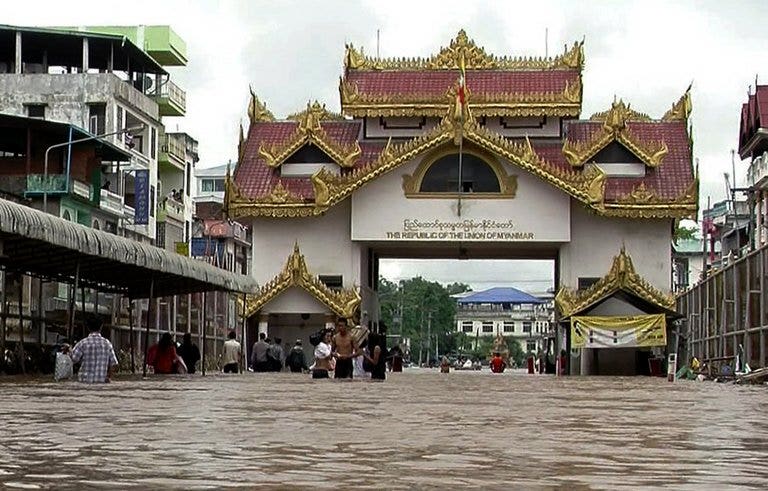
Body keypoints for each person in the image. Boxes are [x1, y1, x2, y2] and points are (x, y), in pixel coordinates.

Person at [70, 314, 118, 383]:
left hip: (84, 382)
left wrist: (69, 350)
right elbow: (114, 365)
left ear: (88, 327)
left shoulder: (83, 343)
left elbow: (73, 359)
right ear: (101, 327)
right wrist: (108, 377)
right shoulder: (107, 344)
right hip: (101, 382)